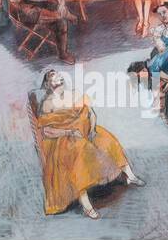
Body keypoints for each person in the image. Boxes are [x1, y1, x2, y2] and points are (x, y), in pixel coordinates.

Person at [35, 67, 145, 219]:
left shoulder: (73, 94)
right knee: (80, 156)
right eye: (54, 77)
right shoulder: (47, 103)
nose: (59, 78)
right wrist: (69, 132)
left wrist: (92, 129)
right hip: (62, 139)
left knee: (107, 140)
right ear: (48, 84)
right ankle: (86, 205)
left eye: (59, 76)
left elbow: (90, 112)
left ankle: (130, 175)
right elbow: (47, 131)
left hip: (85, 130)